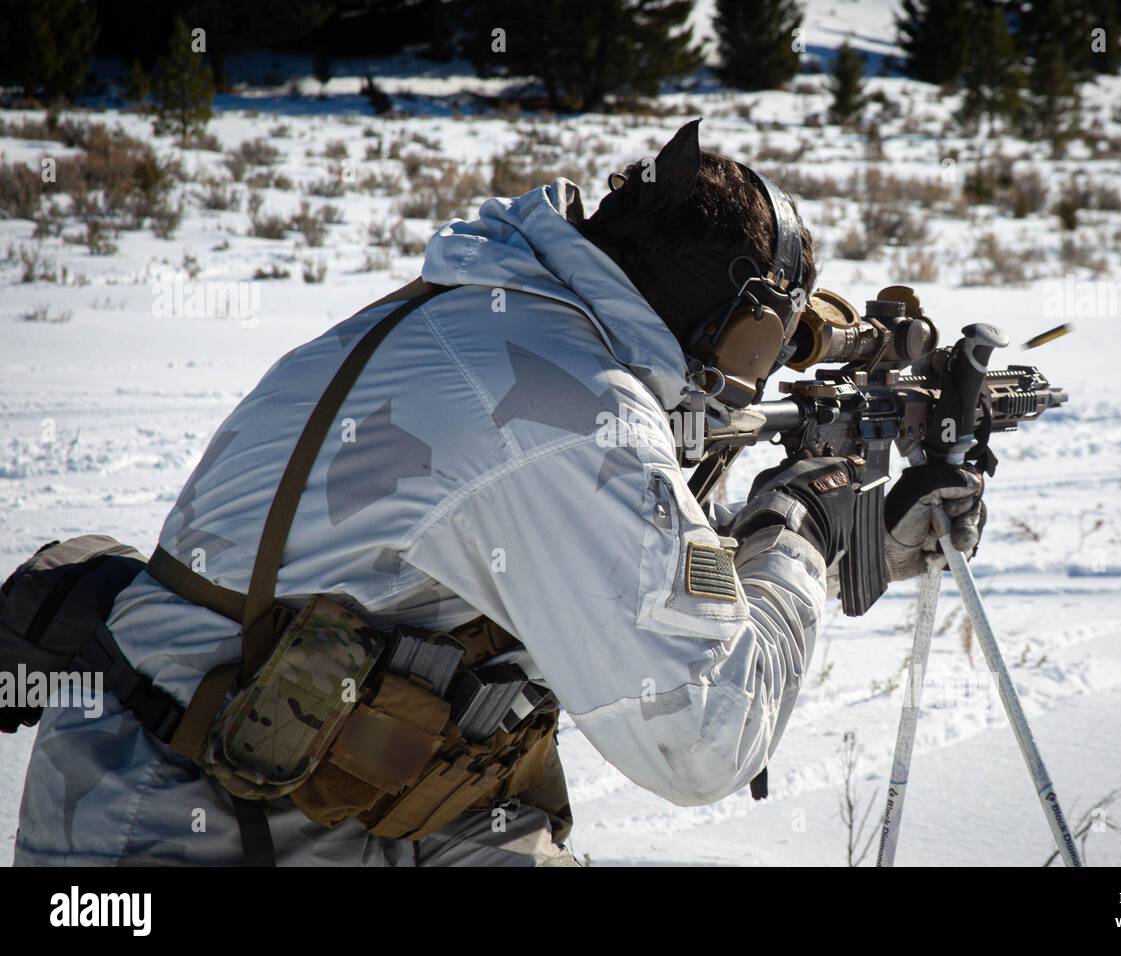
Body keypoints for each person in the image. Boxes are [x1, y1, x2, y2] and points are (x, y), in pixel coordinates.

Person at [13, 120, 984, 866]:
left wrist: (873, 538)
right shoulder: (564, 409)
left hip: (245, 796)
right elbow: (703, 731)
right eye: (760, 354)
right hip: (189, 834)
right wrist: (805, 518)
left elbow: (613, 567)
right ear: (734, 327)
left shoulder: (485, 320)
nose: (754, 382)